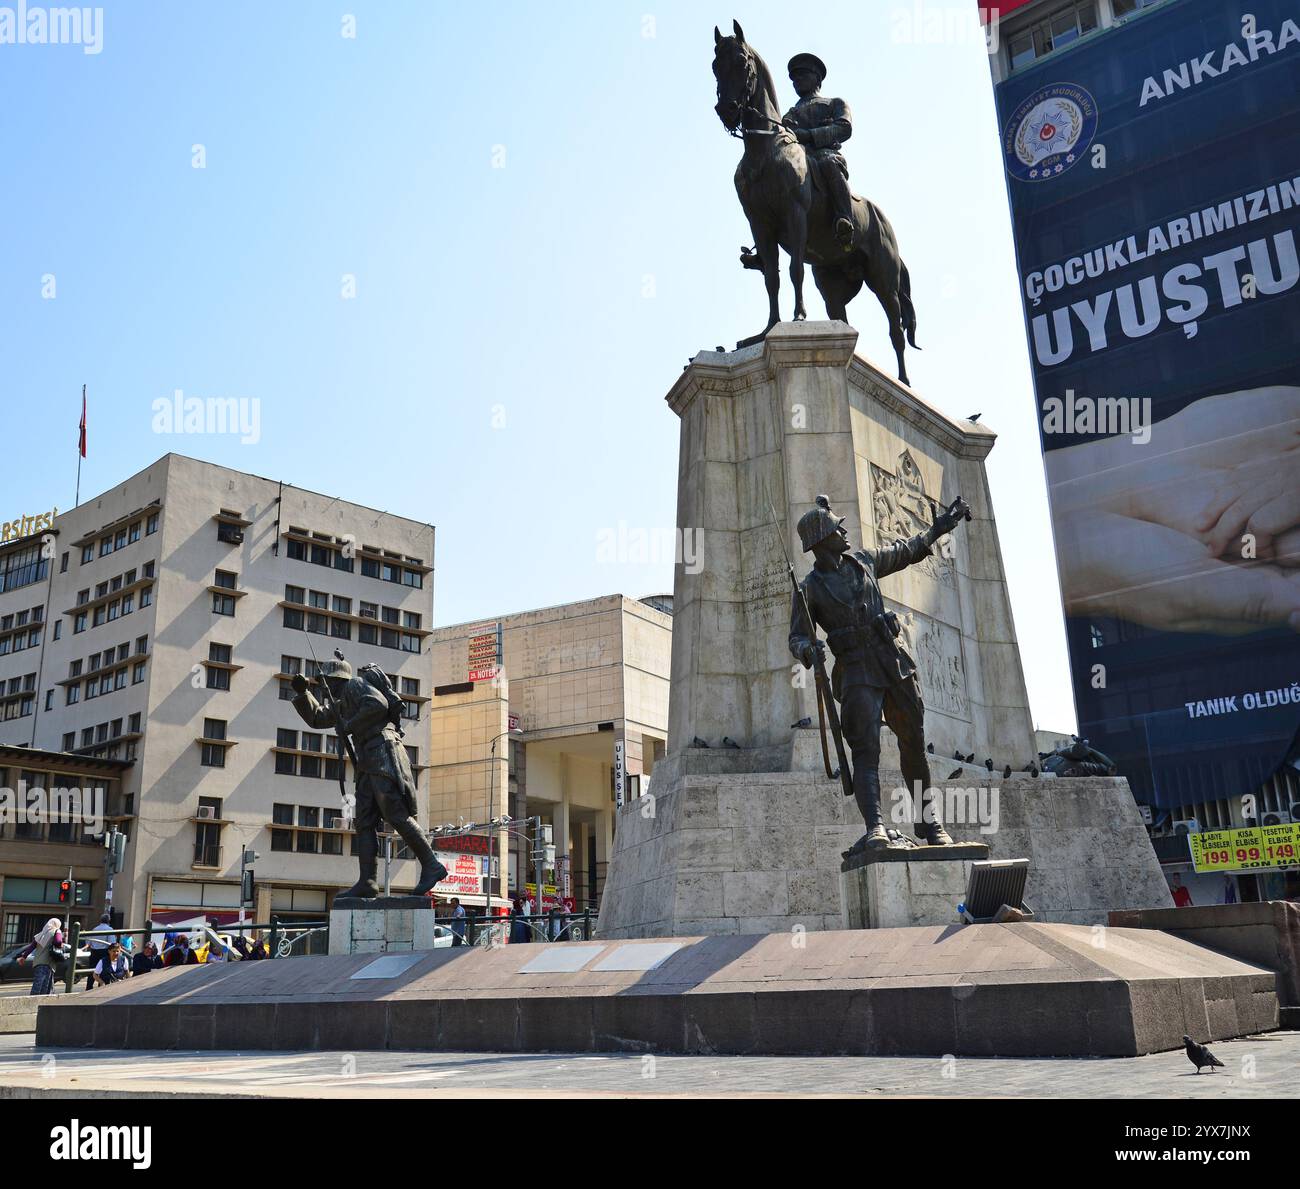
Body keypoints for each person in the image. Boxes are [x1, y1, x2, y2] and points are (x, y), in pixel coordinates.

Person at [789, 493, 971, 856]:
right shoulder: (809, 589)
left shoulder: (864, 562)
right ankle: (875, 826)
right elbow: (796, 636)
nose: (845, 532)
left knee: (913, 744)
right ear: (822, 539)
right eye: (837, 529)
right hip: (855, 669)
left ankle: (928, 821)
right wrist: (809, 650)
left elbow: (904, 551)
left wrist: (936, 530)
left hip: (893, 662)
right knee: (865, 752)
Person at [290, 655, 447, 899]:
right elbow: (318, 717)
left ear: (335, 679)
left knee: (395, 813)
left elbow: (378, 704)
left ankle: (431, 864)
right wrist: (303, 694)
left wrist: (349, 725)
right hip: (367, 759)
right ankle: (368, 881)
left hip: (381, 750)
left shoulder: (354, 685)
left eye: (325, 683)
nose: (323, 687)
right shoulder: (341, 702)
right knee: (364, 821)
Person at [782, 52, 855, 251]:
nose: (797, 80)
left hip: (825, 155)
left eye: (802, 74)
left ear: (817, 78)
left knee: (827, 163)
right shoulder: (788, 115)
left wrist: (809, 135)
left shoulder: (834, 103)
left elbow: (844, 128)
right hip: (798, 160)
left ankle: (844, 219)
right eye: (794, 78)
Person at [22, 918, 66, 996]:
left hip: (38, 962)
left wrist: (23, 957)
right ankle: (42, 1004)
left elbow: (31, 947)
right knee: (46, 988)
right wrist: (61, 944)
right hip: (48, 963)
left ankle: (33, 1002)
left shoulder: (41, 934)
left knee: (38, 986)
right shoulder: (57, 931)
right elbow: (58, 942)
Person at [83, 913, 116, 991]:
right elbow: (112, 943)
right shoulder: (109, 929)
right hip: (104, 952)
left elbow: (89, 942)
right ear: (109, 920)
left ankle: (89, 988)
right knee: (104, 972)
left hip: (94, 952)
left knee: (92, 971)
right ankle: (101, 989)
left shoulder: (95, 929)